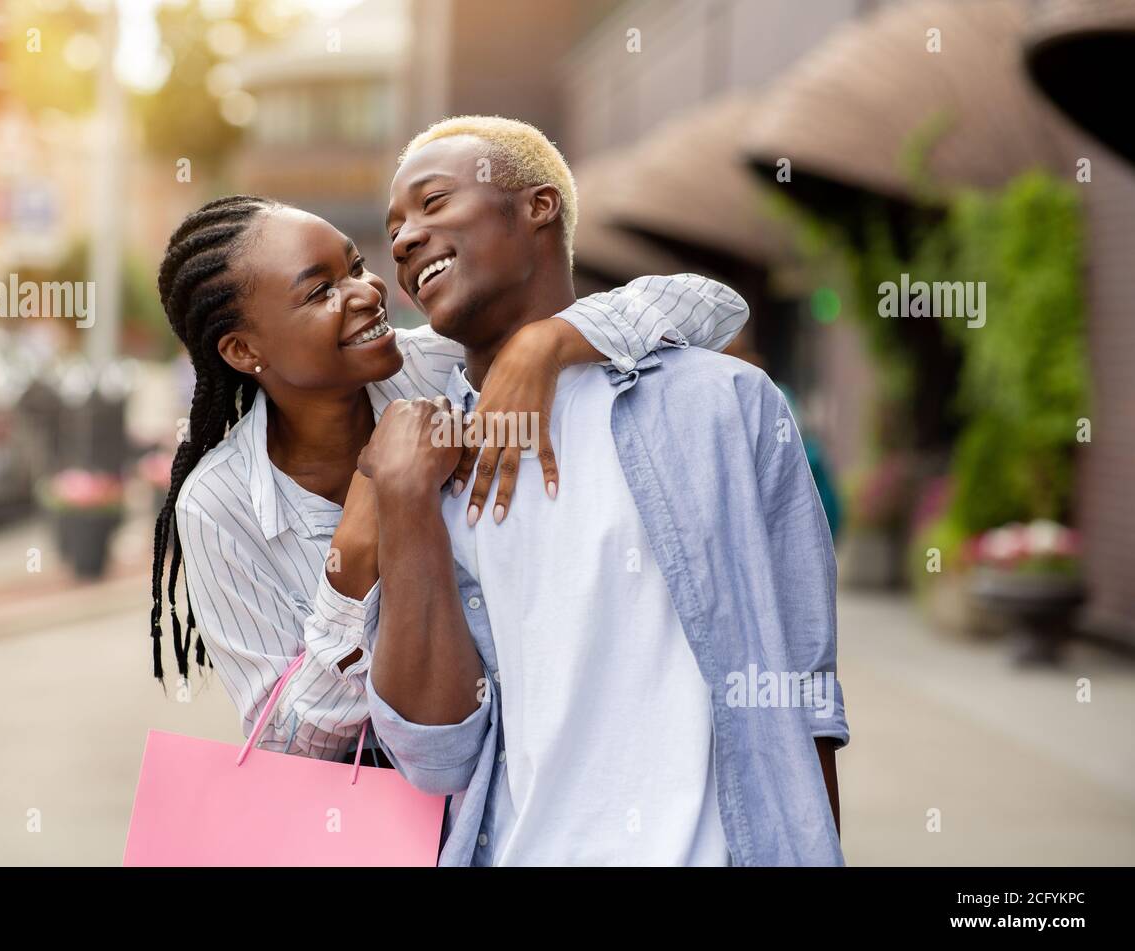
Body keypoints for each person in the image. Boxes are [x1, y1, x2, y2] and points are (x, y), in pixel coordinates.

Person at [361, 116, 848, 865]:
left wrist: (548, 341)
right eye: (395, 227)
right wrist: (402, 502)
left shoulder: (725, 405)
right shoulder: (425, 461)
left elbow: (806, 692)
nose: (402, 239)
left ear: (537, 206)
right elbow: (436, 755)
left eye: (431, 202)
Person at [149, 194, 749, 764]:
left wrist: (546, 343)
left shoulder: (438, 362)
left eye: (356, 266)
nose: (366, 291)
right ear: (242, 348)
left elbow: (713, 307)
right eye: (321, 290)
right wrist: (354, 560)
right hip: (397, 819)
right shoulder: (218, 503)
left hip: (546, 768)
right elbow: (283, 745)